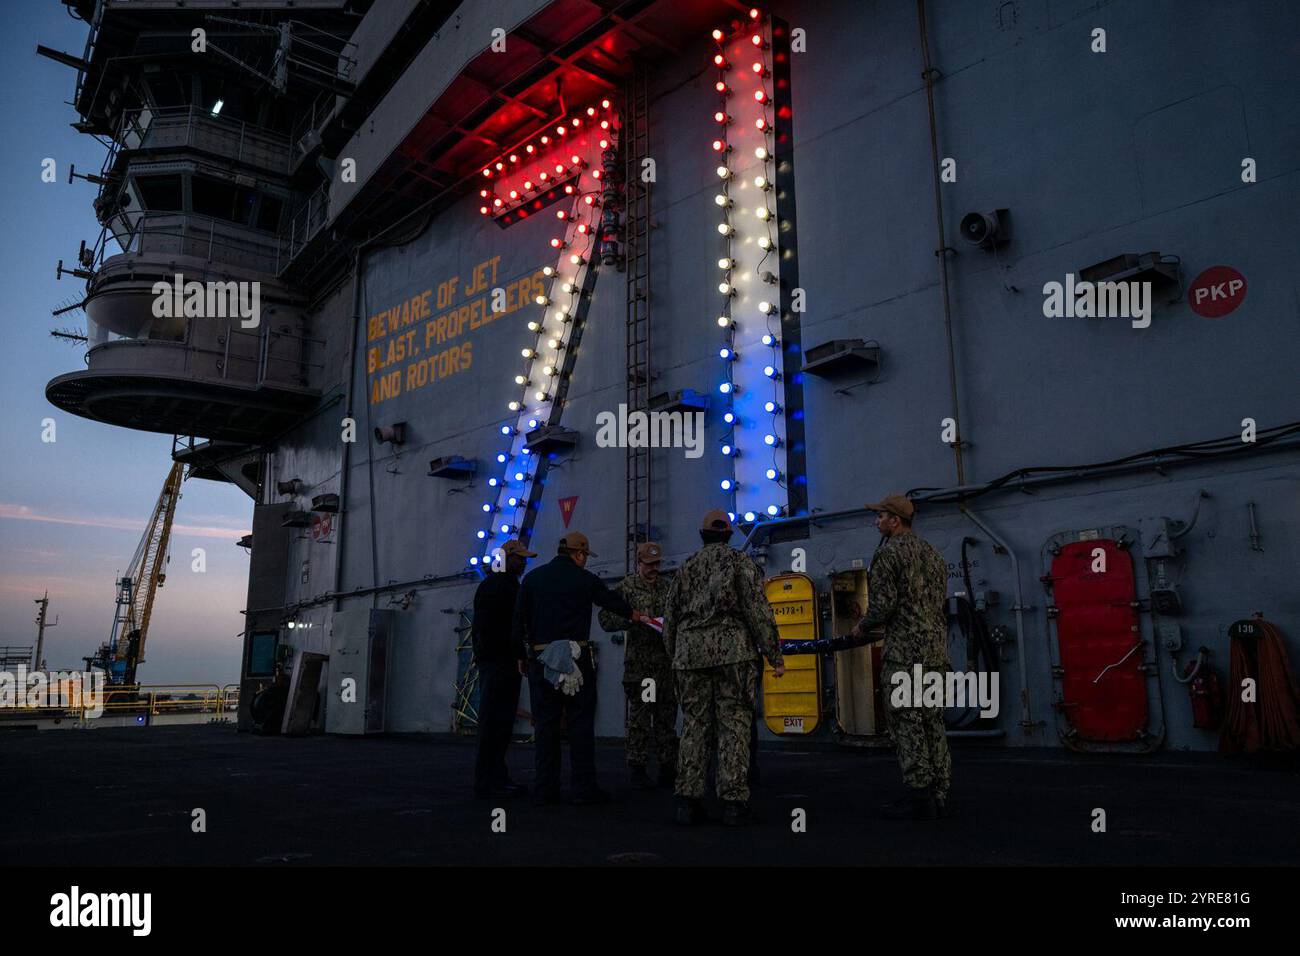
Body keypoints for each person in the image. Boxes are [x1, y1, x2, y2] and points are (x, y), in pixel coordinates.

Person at [663, 509, 785, 826]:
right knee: (734, 725)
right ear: (729, 534)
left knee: (694, 725)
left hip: (690, 657)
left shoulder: (685, 568)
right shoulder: (740, 562)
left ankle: (687, 803)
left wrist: (677, 656)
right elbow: (758, 610)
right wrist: (774, 655)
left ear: (703, 535)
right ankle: (733, 803)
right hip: (734, 655)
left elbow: (670, 620)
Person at [512, 531, 635, 806]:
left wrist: (522, 656)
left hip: (542, 659)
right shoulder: (585, 579)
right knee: (580, 724)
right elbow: (609, 601)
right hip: (576, 658)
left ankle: (546, 788)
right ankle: (583, 787)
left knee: (546, 726)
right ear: (579, 554)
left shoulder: (532, 579)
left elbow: (518, 621)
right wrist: (634, 614)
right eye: (584, 557)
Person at [851, 494, 951, 820]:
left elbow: (883, 606)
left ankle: (919, 796)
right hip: (935, 652)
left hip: (905, 656)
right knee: (932, 723)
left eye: (880, 516)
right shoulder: (932, 554)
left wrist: (862, 627)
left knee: (907, 724)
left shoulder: (889, 554)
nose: (876, 522)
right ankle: (940, 792)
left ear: (895, 520)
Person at [598, 541, 677, 790]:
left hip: (664, 664)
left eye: (657, 564)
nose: (654, 568)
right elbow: (605, 618)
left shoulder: (669, 587)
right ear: (639, 563)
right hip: (641, 667)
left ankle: (668, 766)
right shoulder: (627, 588)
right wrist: (632, 620)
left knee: (666, 718)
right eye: (649, 564)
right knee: (640, 719)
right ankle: (638, 768)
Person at [471, 539, 535, 798]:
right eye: (520, 558)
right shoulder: (505, 587)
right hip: (500, 662)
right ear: (508, 558)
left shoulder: (492, 585)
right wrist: (519, 654)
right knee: (498, 722)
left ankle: (490, 777)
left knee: (494, 722)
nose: (524, 562)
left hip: (494, 661)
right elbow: (511, 628)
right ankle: (491, 778)